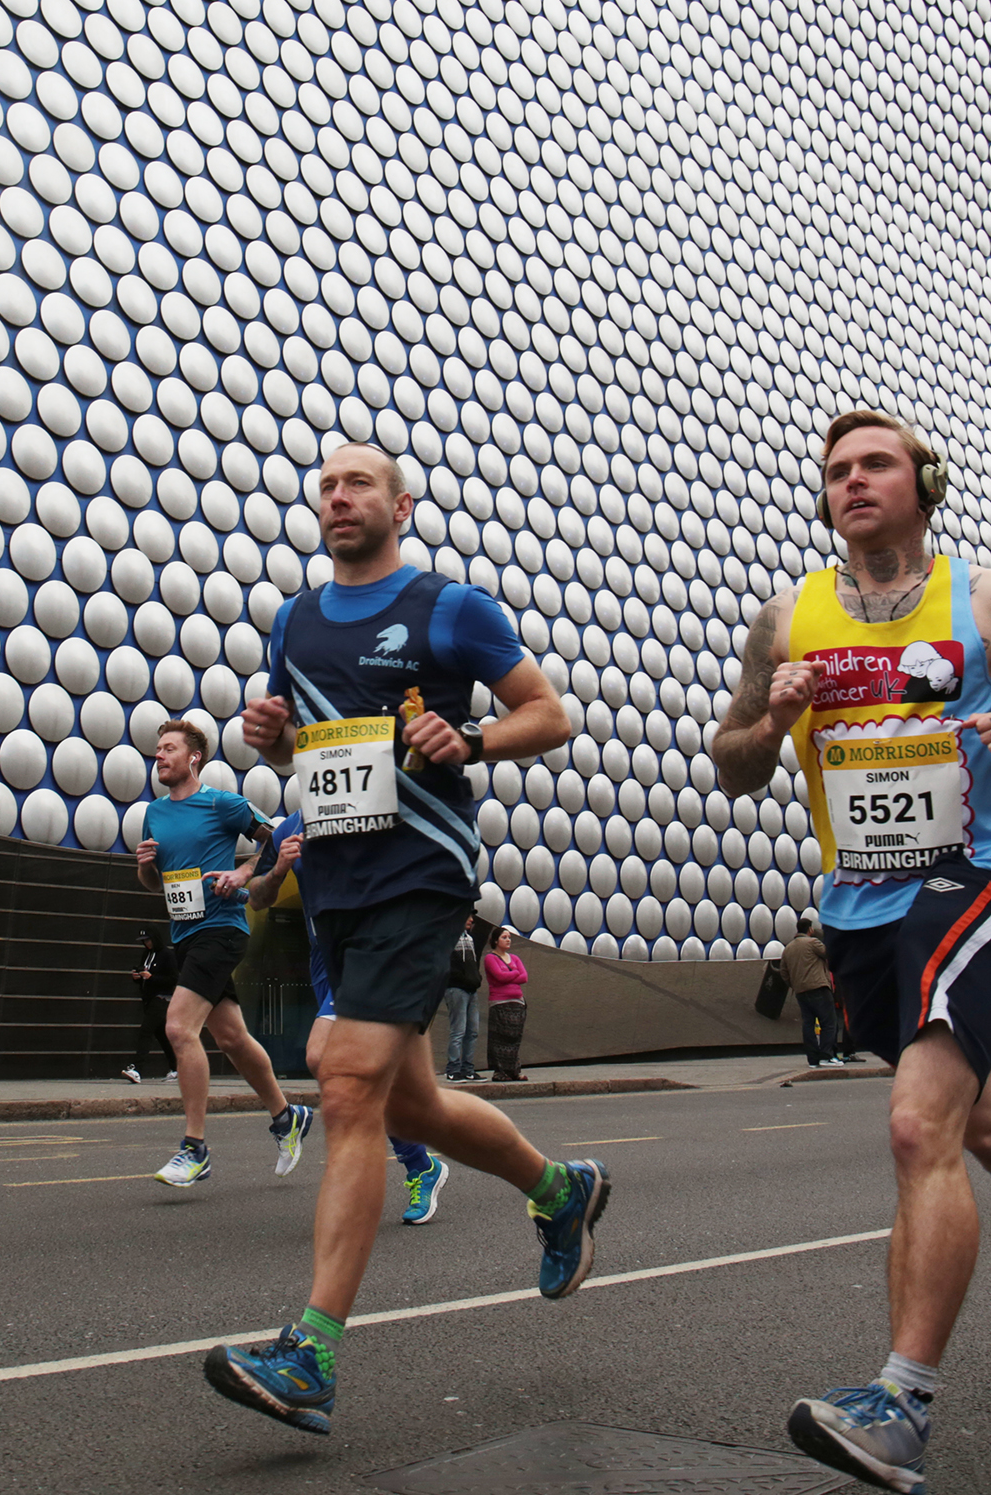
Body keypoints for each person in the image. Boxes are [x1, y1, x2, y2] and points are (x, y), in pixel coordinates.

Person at [710, 410, 991, 1493]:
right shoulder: (786, 619)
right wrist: (768, 722)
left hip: (973, 880)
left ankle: (902, 1402)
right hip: (858, 906)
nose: (853, 481)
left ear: (924, 481)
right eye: (836, 471)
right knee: (983, 1122)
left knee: (918, 1125)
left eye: (875, 464)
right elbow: (731, 763)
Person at [209, 441, 605, 1436]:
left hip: (421, 876)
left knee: (345, 1084)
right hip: (336, 884)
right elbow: (304, 748)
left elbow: (548, 714)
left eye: (358, 484)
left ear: (401, 505)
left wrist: (471, 739)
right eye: (327, 485)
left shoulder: (449, 608)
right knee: (412, 1103)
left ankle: (311, 1355)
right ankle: (559, 1190)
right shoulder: (294, 619)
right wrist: (271, 738)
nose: (338, 497)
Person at [133, 720, 312, 1186]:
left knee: (178, 1027)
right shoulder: (154, 813)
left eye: (168, 748)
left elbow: (275, 837)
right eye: (157, 749)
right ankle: (286, 1116)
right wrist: (145, 867)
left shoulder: (221, 803)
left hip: (222, 928)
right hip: (185, 935)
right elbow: (154, 884)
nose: (159, 756)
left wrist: (243, 873)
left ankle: (195, 1149)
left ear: (193, 757)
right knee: (232, 1038)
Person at [248, 815, 449, 1226]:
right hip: (324, 961)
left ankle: (358, 1179)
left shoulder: (367, 809)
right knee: (385, 1079)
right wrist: (279, 871)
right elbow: (257, 897)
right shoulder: (288, 829)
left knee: (323, 1056)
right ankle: (421, 1164)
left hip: (371, 951)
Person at [121, 925, 176, 1083]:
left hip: (161, 998)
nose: (146, 943)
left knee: (145, 1031)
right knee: (161, 1035)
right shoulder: (147, 954)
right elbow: (144, 975)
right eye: (144, 941)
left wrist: (152, 978)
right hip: (149, 998)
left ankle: (136, 1068)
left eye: (148, 940)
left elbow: (173, 979)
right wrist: (138, 977)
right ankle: (177, 1067)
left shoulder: (166, 955)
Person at [784, 922, 841, 1067]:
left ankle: (813, 1059)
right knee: (828, 1022)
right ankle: (826, 1056)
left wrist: (794, 984)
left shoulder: (788, 948)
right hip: (818, 988)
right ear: (810, 929)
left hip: (801, 991)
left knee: (808, 1025)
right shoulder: (813, 943)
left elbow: (783, 972)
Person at [484, 927, 531, 1082]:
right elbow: (499, 976)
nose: (508, 940)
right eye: (504, 937)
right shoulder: (490, 958)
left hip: (517, 1002)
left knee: (514, 1038)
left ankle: (514, 1071)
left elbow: (524, 977)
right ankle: (500, 1071)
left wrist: (509, 975)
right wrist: (515, 973)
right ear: (496, 940)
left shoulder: (515, 958)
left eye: (509, 937)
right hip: (500, 1002)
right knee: (500, 1038)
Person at [440, 921, 484, 1080]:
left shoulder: (469, 939)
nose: (470, 920)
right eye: (467, 916)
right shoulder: (448, 937)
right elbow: (446, 965)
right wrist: (463, 979)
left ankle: (467, 1068)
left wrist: (476, 978)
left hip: (471, 988)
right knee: (458, 1030)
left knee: (472, 1030)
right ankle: (453, 1068)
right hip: (456, 988)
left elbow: (472, 963)